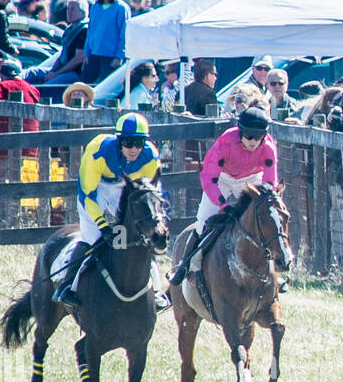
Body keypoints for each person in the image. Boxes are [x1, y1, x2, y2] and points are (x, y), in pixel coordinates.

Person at [52, 113, 163, 309]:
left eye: (139, 143)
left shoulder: (151, 157)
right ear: (119, 140)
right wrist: (104, 226)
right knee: (93, 239)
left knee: (141, 239)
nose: (134, 149)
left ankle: (157, 290)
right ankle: (69, 285)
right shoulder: (98, 151)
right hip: (96, 192)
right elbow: (88, 195)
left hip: (124, 189)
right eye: (128, 143)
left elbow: (148, 192)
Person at [169, 106, 281, 289]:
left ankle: (275, 269)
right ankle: (186, 264)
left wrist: (267, 201)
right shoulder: (225, 143)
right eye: (249, 136)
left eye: (258, 137)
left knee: (267, 220)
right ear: (240, 132)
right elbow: (208, 179)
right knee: (202, 221)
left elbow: (270, 182)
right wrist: (224, 205)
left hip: (251, 180)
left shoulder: (268, 147)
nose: (253, 141)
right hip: (222, 179)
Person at [26, 0, 88, 85]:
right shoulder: (69, 30)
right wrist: (52, 71)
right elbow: (62, 54)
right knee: (32, 73)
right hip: (61, 71)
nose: (69, 12)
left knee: (47, 87)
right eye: (68, 9)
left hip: (74, 74)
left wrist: (56, 74)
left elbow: (78, 58)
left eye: (73, 9)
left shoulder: (84, 30)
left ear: (82, 12)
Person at [81, 0, 129, 83]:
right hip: (94, 54)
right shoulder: (95, 7)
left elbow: (124, 34)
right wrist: (86, 53)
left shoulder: (121, 8)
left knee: (104, 85)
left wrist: (119, 56)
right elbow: (90, 32)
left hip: (110, 57)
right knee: (85, 84)